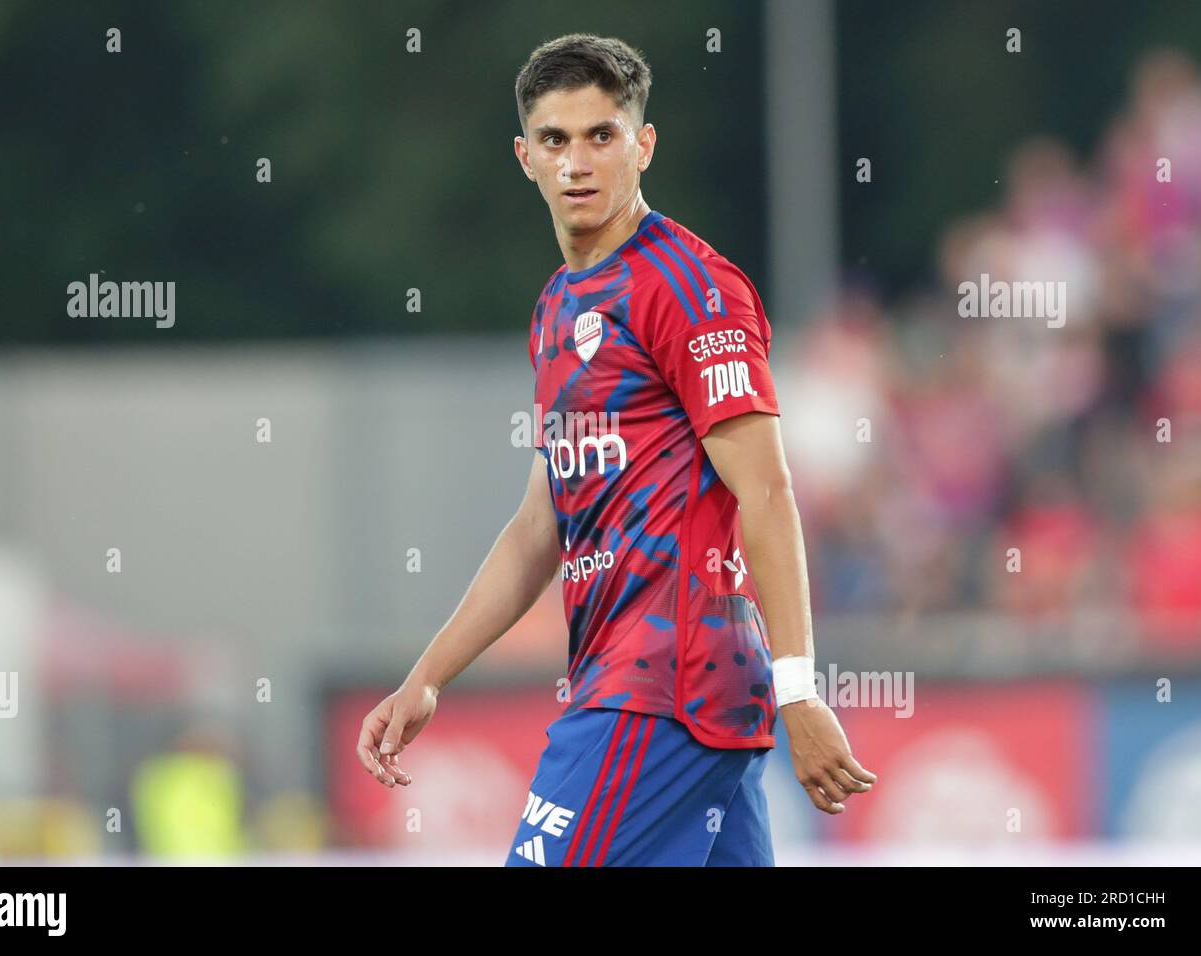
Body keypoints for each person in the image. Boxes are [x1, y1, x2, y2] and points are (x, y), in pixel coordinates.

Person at [357, 32, 875, 866]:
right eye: (556, 141)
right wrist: (428, 676)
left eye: (602, 135)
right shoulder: (556, 309)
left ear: (643, 144)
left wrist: (801, 689)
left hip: (660, 686)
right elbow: (540, 525)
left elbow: (767, 491)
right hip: (668, 695)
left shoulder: (688, 285)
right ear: (526, 157)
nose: (578, 162)